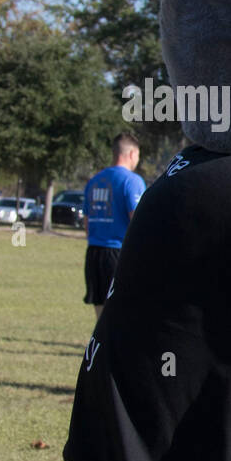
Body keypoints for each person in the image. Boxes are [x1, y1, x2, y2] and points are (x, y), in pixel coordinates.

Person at [82, 133, 145, 321]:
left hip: (94, 253)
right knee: (125, 312)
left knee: (101, 313)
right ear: (132, 153)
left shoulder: (94, 181)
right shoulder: (132, 181)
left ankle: (102, 349)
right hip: (119, 254)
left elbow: (86, 221)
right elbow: (138, 220)